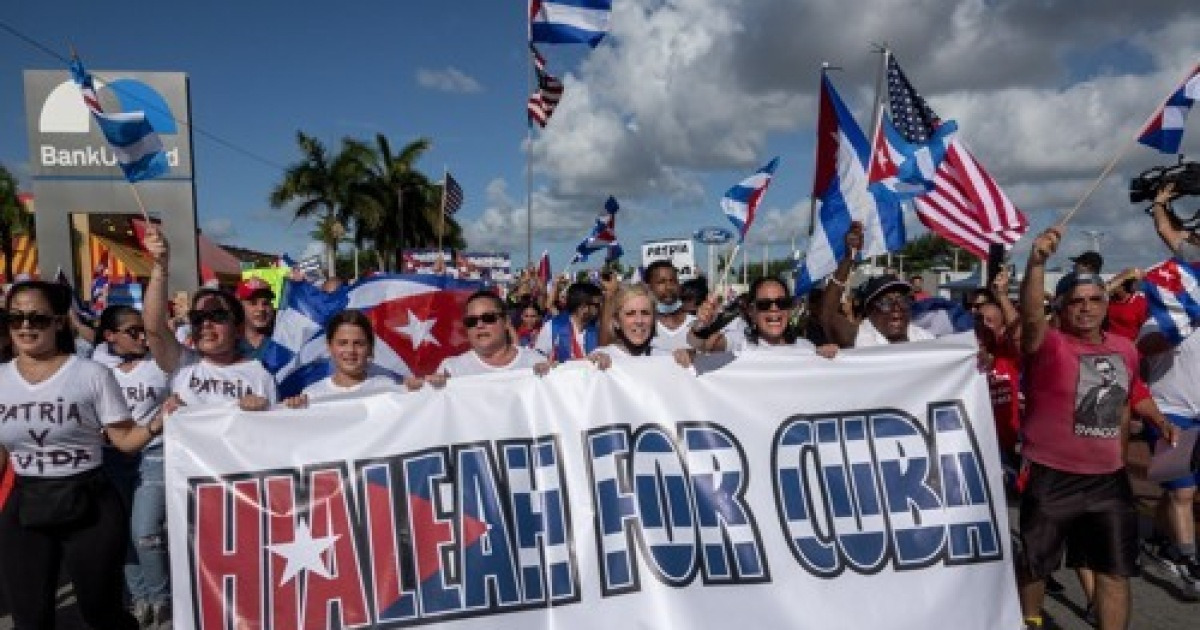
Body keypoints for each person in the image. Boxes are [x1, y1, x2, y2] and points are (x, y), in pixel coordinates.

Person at [1015, 227, 1178, 630]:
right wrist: (1037, 263)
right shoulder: (1048, 344)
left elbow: (1134, 389)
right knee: (1037, 567)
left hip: (1108, 480)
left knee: (1115, 571)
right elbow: (1032, 314)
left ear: (1105, 304)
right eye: (1076, 302)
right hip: (1052, 476)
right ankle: (1030, 620)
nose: (1085, 308)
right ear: (1063, 308)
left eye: (1093, 300)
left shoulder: (1124, 347)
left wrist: (1157, 416)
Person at [0, 281, 166, 630]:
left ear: (59, 321)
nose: (26, 326)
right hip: (27, 503)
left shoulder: (91, 374)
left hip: (89, 504)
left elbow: (123, 440)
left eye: (37, 318)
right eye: (15, 319)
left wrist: (155, 424)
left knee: (101, 613)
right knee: (29, 618)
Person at [96, 305, 174, 628]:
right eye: (132, 331)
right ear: (110, 336)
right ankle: (140, 599)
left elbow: (185, 393)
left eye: (143, 329)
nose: (141, 336)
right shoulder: (96, 365)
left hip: (154, 455)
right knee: (123, 533)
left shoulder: (161, 363)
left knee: (145, 532)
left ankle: (163, 600)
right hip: (112, 458)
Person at [143, 227, 277, 411]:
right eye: (198, 318)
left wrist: (260, 412)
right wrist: (160, 265)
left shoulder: (260, 376)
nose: (206, 324)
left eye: (217, 316)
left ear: (238, 329)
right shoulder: (183, 363)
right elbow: (153, 328)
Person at [818, 222, 934, 348]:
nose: (896, 307)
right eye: (885, 302)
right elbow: (828, 316)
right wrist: (848, 258)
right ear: (869, 310)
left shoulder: (925, 339)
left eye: (903, 300)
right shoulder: (861, 338)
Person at [420, 290, 550, 385]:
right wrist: (417, 392)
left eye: (488, 318)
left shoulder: (535, 362)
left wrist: (556, 376)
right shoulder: (452, 370)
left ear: (506, 322)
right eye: (471, 321)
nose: (480, 325)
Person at [691, 276, 837, 357]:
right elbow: (701, 344)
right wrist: (701, 325)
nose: (774, 309)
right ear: (751, 312)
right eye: (764, 304)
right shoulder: (741, 344)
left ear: (789, 309)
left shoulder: (806, 348)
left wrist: (826, 359)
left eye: (782, 302)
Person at [283, 310, 398, 407]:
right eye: (343, 343)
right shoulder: (312, 395)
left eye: (358, 343)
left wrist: (414, 394)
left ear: (370, 348)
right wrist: (292, 411)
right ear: (329, 347)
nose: (351, 350)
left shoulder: (387, 388)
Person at [588, 283, 693, 369]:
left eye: (645, 313)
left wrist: (690, 357)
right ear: (616, 321)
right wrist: (591, 365)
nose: (639, 321)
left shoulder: (667, 358)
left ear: (654, 319)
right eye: (630, 313)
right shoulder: (602, 356)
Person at [535, 281, 602, 362]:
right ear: (583, 307)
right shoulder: (553, 327)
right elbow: (538, 359)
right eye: (597, 305)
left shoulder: (597, 329)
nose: (601, 308)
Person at [235, 277, 277, 361]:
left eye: (266, 303)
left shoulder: (282, 340)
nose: (261, 308)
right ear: (239, 306)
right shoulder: (228, 343)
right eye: (253, 303)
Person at [1104, 270, 1148, 341]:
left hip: (1129, 344)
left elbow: (1144, 327)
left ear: (1123, 287)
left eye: (1116, 286)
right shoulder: (1109, 301)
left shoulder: (1139, 302)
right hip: (1108, 342)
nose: (1113, 288)